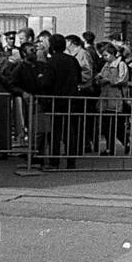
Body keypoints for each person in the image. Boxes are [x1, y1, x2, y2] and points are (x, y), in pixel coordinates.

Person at [35, 34, 82, 168]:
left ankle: (54, 162)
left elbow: (46, 82)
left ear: (52, 46)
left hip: (55, 101)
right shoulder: (72, 60)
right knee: (69, 132)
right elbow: (79, 78)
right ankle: (71, 162)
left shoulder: (51, 62)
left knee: (54, 133)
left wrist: (40, 78)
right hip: (70, 100)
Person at [96, 43, 132, 155]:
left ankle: (126, 142)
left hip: (117, 99)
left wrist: (108, 80)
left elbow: (123, 79)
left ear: (113, 54)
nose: (104, 57)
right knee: (107, 126)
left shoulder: (121, 64)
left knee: (117, 125)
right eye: (103, 55)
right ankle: (109, 148)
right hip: (105, 98)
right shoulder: (106, 65)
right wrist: (98, 79)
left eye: (106, 55)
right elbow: (100, 76)